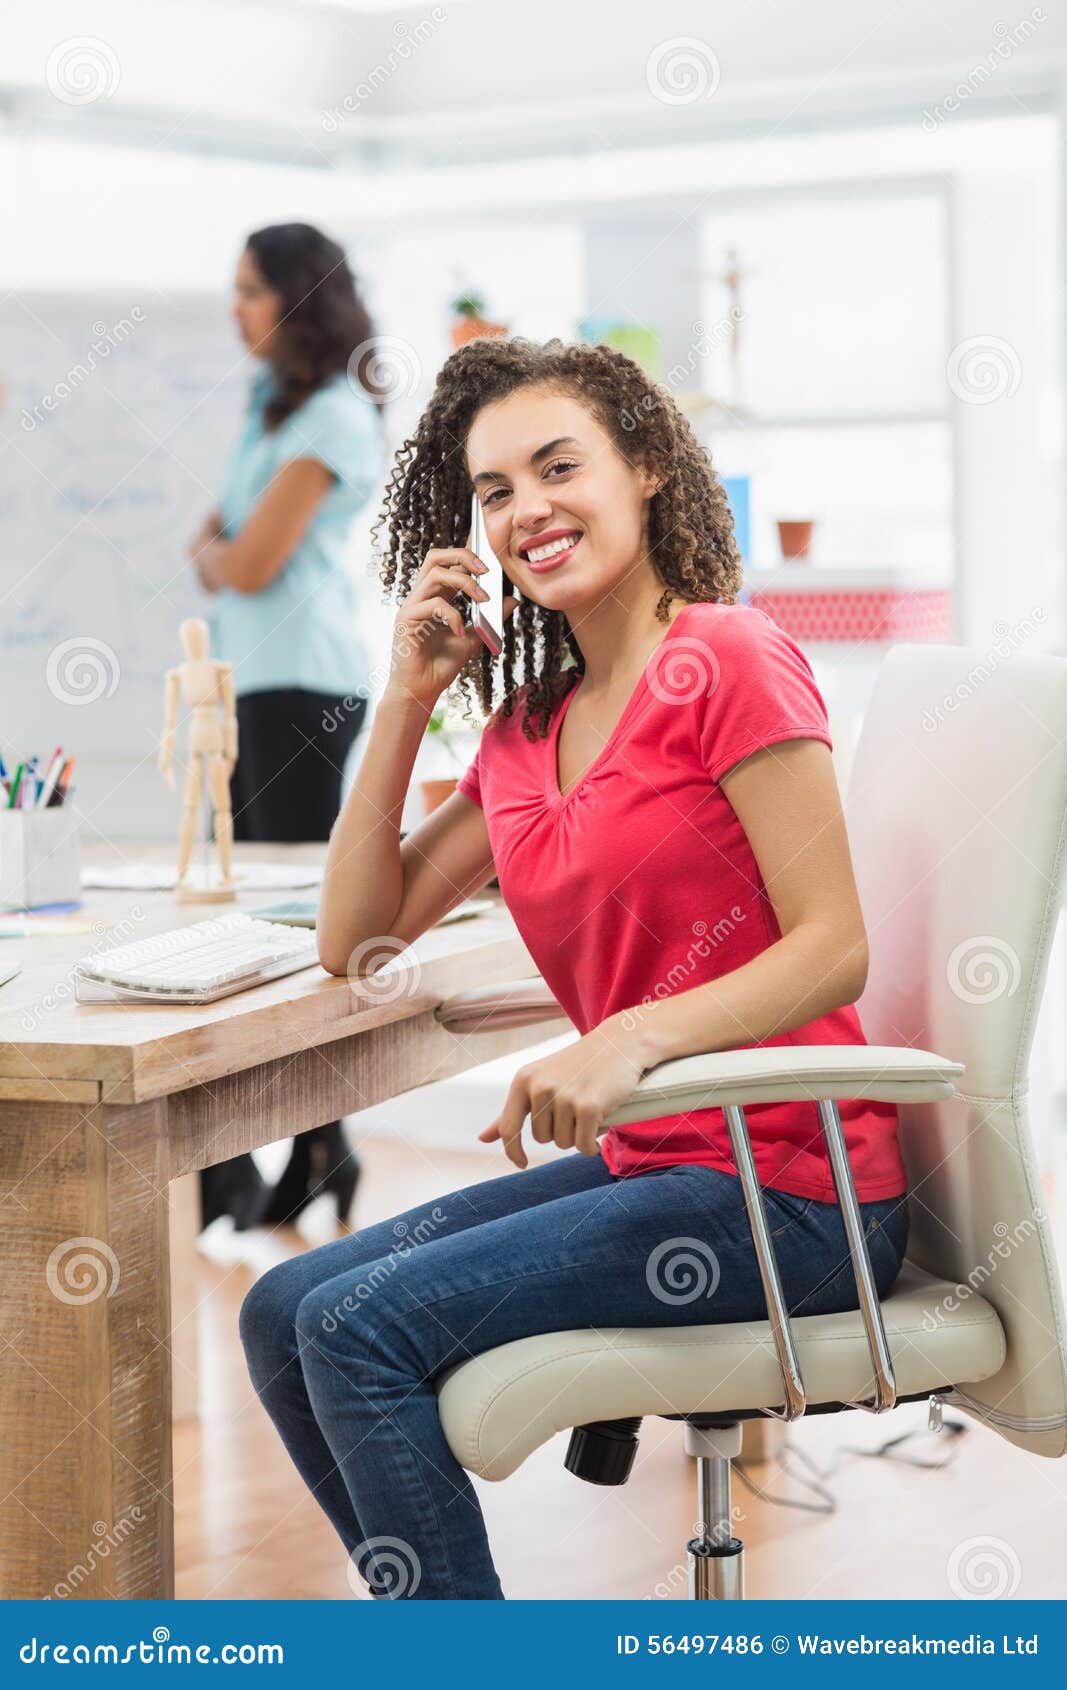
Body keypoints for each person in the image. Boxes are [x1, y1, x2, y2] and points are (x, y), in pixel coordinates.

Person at [238, 336, 910, 1599]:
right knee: (283, 1313)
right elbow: (356, 937)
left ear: (645, 468)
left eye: (558, 467)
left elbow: (834, 944)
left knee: (351, 1324)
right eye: (494, 491)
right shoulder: (524, 729)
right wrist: (400, 698)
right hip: (664, 1161)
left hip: (793, 1193)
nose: (526, 510)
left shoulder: (726, 657)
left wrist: (627, 1036)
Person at [191, 222, 384, 1231]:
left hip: (305, 685)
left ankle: (316, 1144)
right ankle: (279, 1155)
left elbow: (244, 558)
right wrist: (221, 549)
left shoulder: (336, 415)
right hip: (252, 681)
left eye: (252, 291)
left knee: (294, 924)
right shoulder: (273, 407)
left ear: (297, 300)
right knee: (233, 911)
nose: (237, 309)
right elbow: (219, 542)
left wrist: (219, 550)